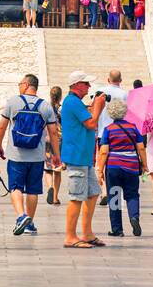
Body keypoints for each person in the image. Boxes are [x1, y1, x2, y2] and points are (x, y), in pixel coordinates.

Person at [0, 75, 60, 236]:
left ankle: (21, 216)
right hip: (37, 156)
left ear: (26, 85)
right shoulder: (45, 105)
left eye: (20, 83)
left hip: (16, 154)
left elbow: (2, 127)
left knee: (15, 187)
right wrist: (57, 155)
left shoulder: (13, 102)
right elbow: (53, 132)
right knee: (33, 190)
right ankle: (29, 222)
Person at [59, 72, 106, 248]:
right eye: (86, 84)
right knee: (77, 197)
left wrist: (94, 105)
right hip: (76, 156)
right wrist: (98, 106)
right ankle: (70, 236)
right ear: (77, 85)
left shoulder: (76, 103)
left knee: (93, 192)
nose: (89, 87)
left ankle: (86, 232)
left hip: (84, 157)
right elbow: (91, 124)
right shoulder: (72, 102)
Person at [97, 98, 147, 238]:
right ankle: (134, 217)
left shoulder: (108, 130)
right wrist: (145, 164)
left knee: (114, 195)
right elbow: (141, 148)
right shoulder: (133, 127)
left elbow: (104, 151)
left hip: (113, 167)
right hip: (131, 166)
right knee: (132, 194)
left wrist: (100, 169)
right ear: (124, 112)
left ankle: (117, 229)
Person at [44, 85, 64, 204]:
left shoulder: (46, 108)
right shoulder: (61, 110)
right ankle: (55, 197)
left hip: (47, 140)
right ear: (60, 96)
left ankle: (50, 187)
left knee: (48, 169)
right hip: (59, 139)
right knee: (57, 169)